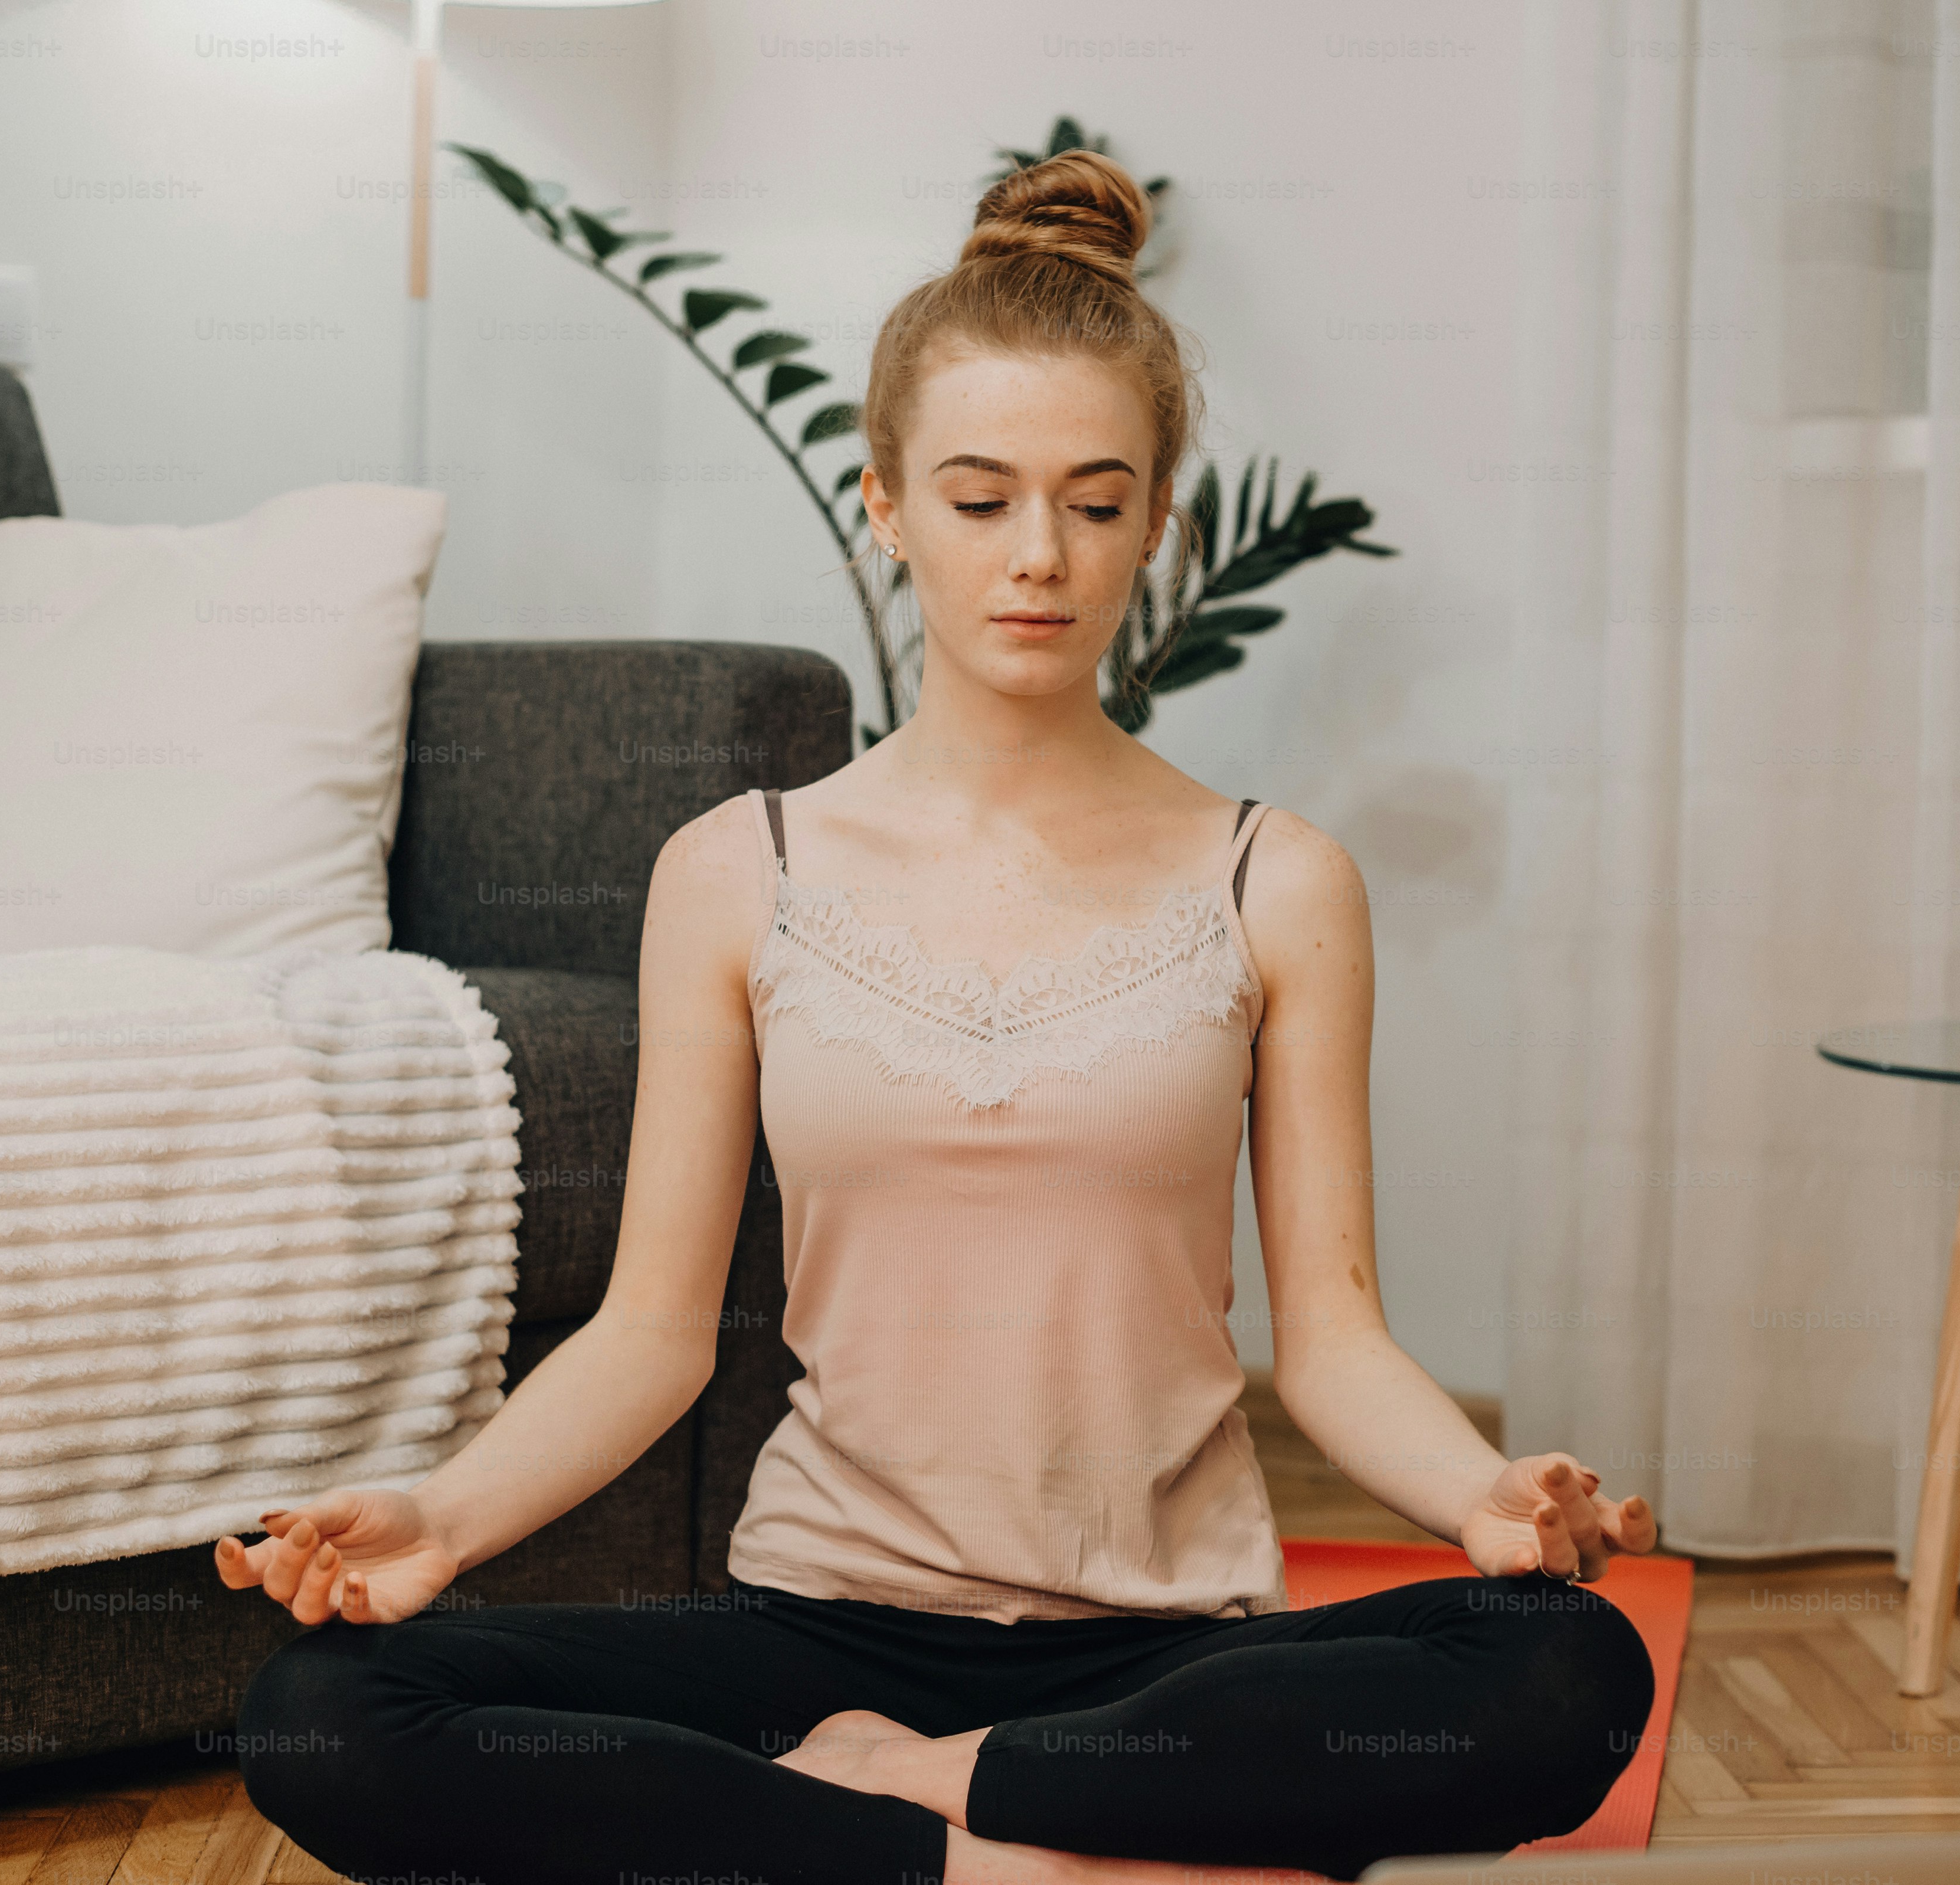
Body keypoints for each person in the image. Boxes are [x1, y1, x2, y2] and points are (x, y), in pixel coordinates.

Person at [221, 148, 1658, 1885]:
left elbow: (1337, 1334)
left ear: (1157, 515)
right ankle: (998, 1857)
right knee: (317, 1710)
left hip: (1165, 1649)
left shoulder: (1277, 879)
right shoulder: (736, 869)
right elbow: (655, 1332)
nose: (1038, 557)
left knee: (1570, 1669)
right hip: (814, 1627)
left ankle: (912, 1793)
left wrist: (1485, 1498)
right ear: (886, 506)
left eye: (1096, 501)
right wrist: (442, 1512)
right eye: (979, 500)